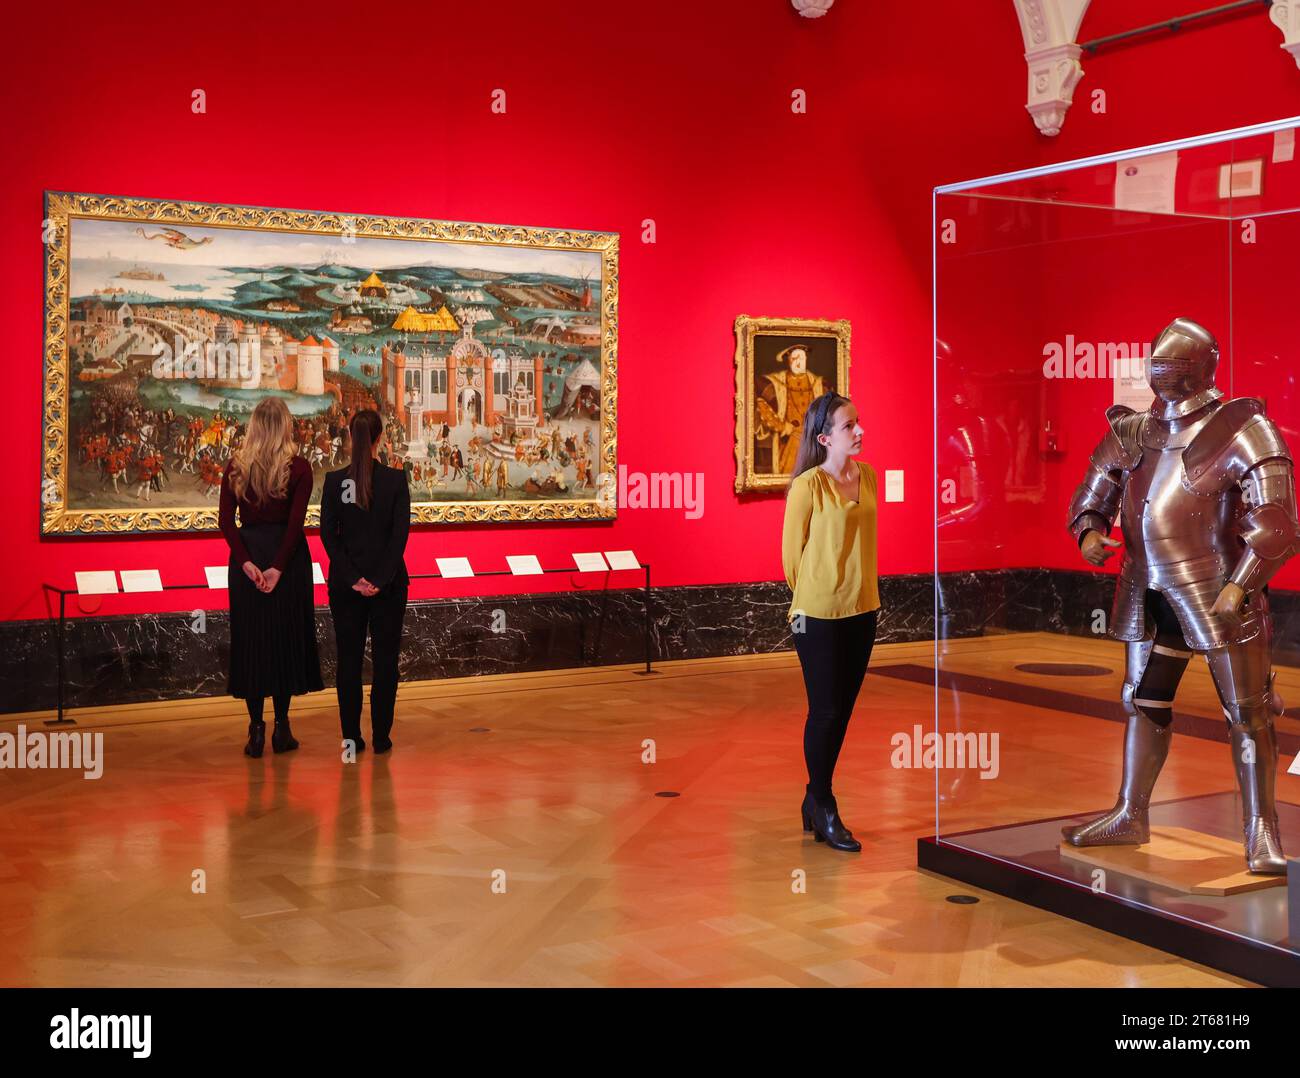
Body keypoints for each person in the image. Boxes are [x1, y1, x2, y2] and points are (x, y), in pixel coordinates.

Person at [781, 391, 880, 852]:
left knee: (843, 710)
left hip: (863, 609)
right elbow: (791, 559)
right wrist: (815, 594)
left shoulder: (869, 477)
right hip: (816, 615)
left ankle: (813, 797)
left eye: (858, 422)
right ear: (824, 438)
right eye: (849, 426)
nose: (859, 431)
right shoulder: (808, 486)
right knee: (824, 710)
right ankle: (823, 802)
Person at [219, 397, 323, 757]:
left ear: (254, 426)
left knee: (252, 643)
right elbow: (295, 525)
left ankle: (255, 731)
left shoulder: (236, 466)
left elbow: (225, 522)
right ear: (285, 426)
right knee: (283, 641)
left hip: (248, 558)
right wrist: (277, 567)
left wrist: (246, 563)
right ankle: (282, 727)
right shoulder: (300, 469)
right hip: (288, 561)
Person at [319, 410, 411, 754]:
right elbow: (398, 538)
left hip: (346, 587)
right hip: (388, 586)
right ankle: (381, 737)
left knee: (349, 662)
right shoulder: (395, 480)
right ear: (380, 439)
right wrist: (379, 579)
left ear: (349, 436)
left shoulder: (335, 482)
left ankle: (351, 738)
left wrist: (353, 577)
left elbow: (329, 536)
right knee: (386, 663)